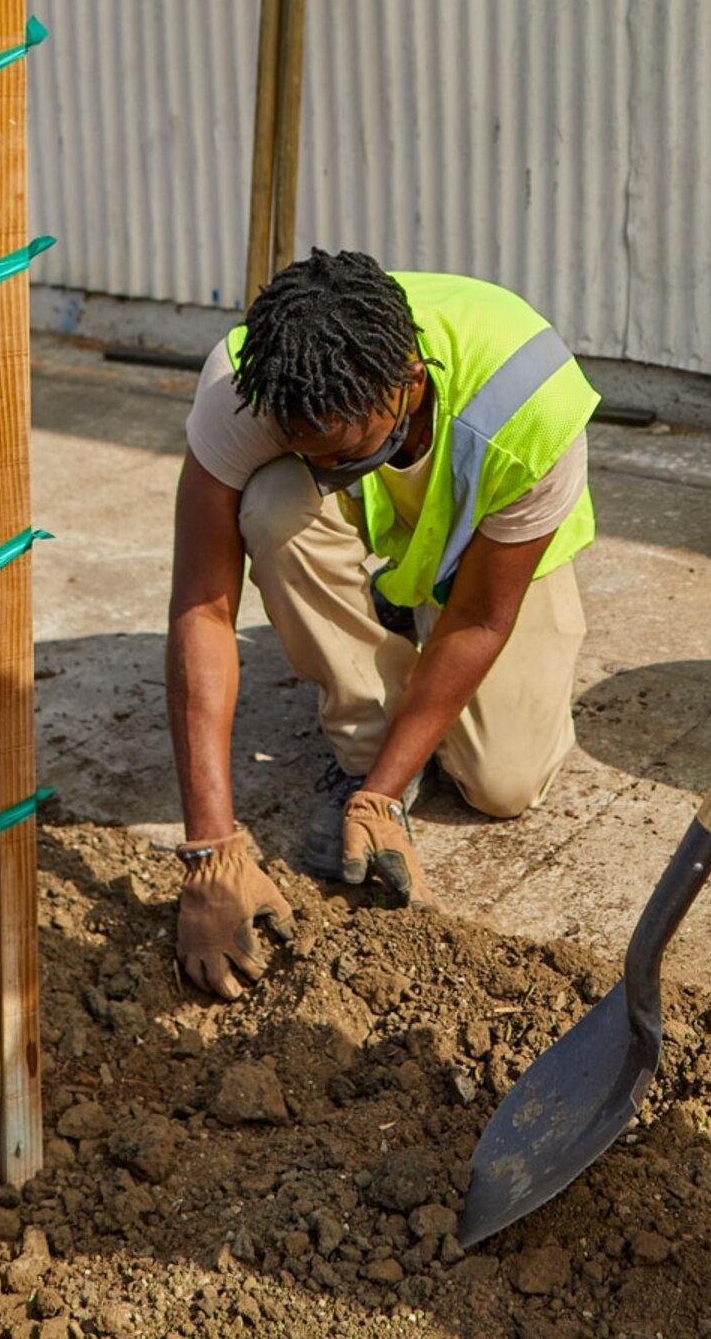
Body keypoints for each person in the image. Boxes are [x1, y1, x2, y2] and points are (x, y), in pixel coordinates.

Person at [166, 250, 600, 998]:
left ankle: (403, 627)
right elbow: (202, 608)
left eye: (340, 454)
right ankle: (369, 725)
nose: (324, 467)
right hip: (378, 527)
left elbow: (479, 619)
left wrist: (383, 799)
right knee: (271, 504)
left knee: (501, 782)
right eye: (307, 452)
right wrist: (213, 853)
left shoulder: (532, 402)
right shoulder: (246, 386)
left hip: (484, 560)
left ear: (409, 381)